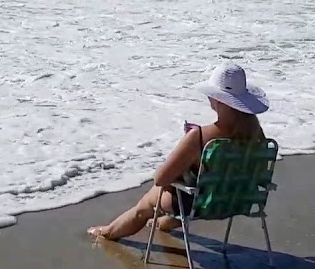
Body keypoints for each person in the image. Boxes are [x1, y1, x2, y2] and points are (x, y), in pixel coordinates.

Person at [87, 62, 269, 240]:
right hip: (238, 201)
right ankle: (162, 224)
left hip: (200, 205)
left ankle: (108, 232)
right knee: (188, 185)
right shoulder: (257, 136)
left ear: (217, 99)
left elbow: (160, 179)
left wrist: (181, 167)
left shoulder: (199, 137)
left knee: (146, 205)